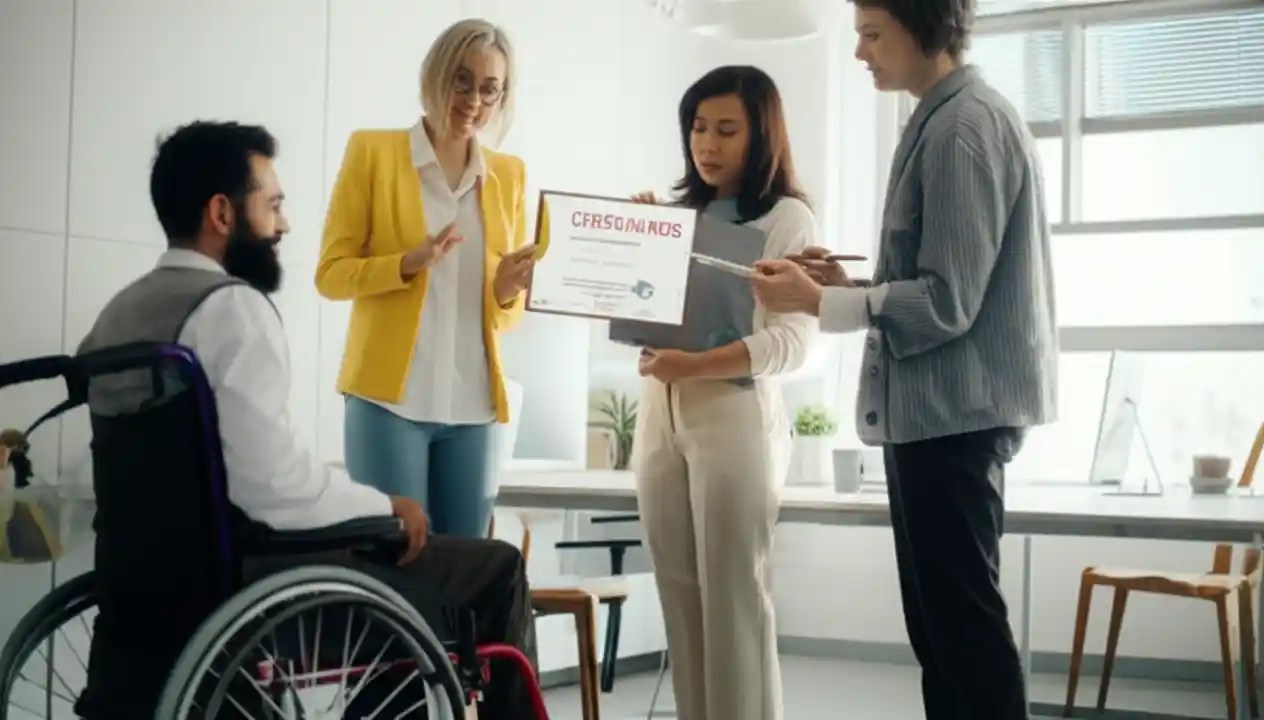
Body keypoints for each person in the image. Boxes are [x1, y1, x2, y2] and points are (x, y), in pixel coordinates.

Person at [73, 120, 537, 719]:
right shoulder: (230, 309)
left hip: (145, 591)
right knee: (496, 567)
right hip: (254, 585)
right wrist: (385, 507)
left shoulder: (117, 316)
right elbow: (273, 487)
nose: (284, 225)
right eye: (273, 206)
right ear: (222, 213)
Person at [753, 1, 1058, 718]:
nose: (860, 52)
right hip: (942, 413)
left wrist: (822, 303)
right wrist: (844, 288)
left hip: (953, 415)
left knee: (960, 631)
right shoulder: (943, 119)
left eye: (871, 34)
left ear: (924, 26)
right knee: (945, 630)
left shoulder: (961, 129)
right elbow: (943, 283)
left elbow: (948, 302)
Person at [629, 65, 817, 720]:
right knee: (679, 598)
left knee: (734, 596)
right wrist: (636, 242)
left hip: (735, 410)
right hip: (661, 410)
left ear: (761, 134)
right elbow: (642, 317)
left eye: (726, 130)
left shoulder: (788, 218)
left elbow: (790, 343)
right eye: (698, 127)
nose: (707, 144)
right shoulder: (680, 214)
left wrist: (695, 366)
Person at [316, 18, 534, 540]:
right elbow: (331, 275)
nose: (473, 101)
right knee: (394, 558)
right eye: (462, 81)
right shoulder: (373, 153)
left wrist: (506, 291)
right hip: (388, 403)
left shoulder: (509, 175)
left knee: (465, 566)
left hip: (474, 409)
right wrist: (406, 263)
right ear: (435, 75)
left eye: (489, 89)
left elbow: (506, 316)